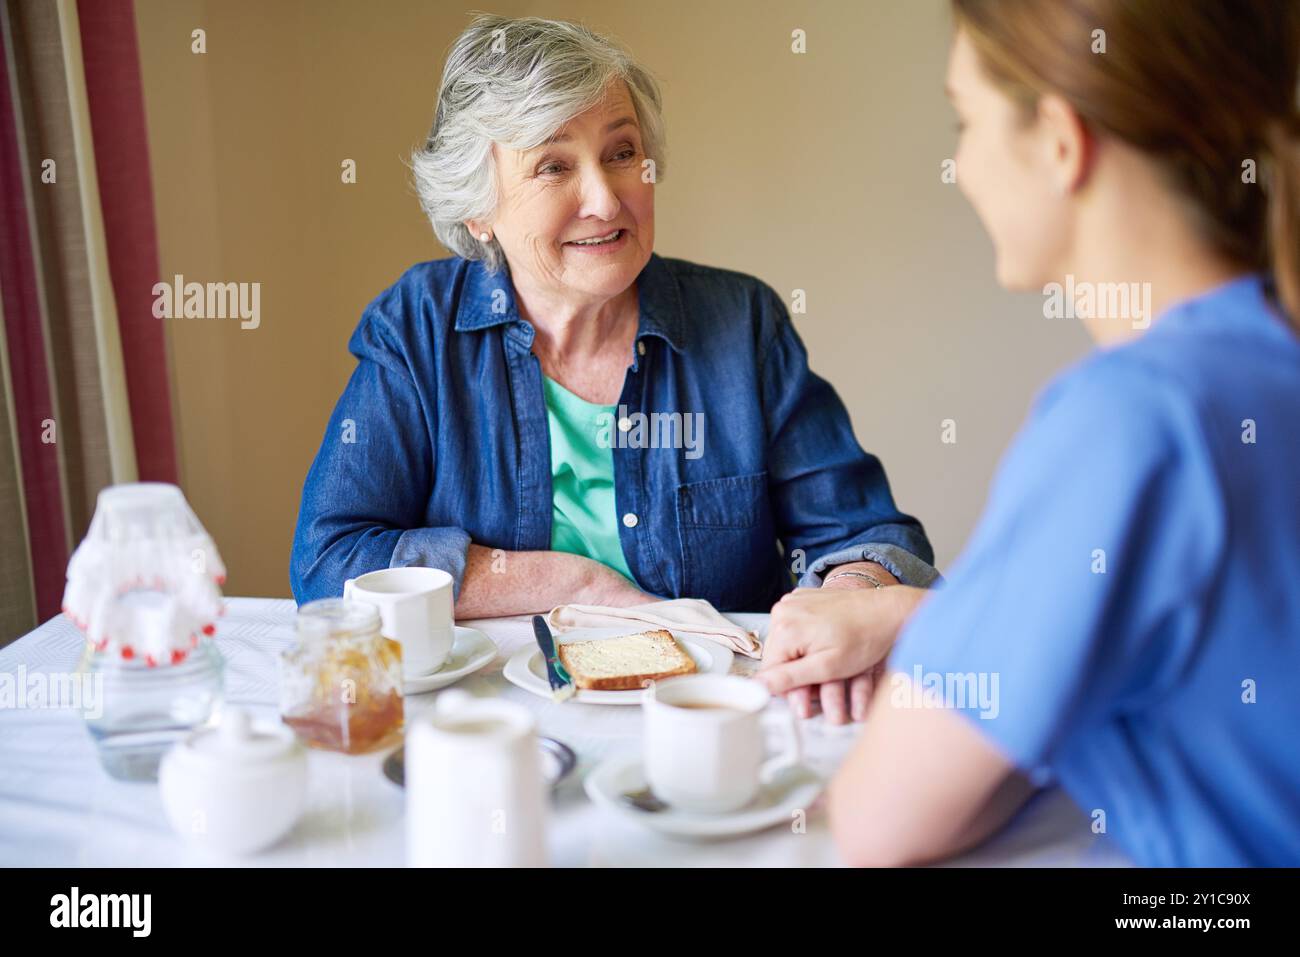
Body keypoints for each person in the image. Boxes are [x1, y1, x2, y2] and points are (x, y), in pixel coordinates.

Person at [759, 0, 1300, 867]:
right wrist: (916, 617)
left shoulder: (1131, 419)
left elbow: (877, 822)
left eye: (964, 121)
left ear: (1058, 139)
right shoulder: (1263, 355)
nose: (960, 165)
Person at [290, 15, 937, 618]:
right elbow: (330, 561)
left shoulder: (742, 323)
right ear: (477, 210)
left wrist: (850, 598)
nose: (605, 199)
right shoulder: (417, 328)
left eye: (622, 153)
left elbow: (868, 535)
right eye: (553, 165)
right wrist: (569, 581)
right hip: (497, 720)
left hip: (704, 709)